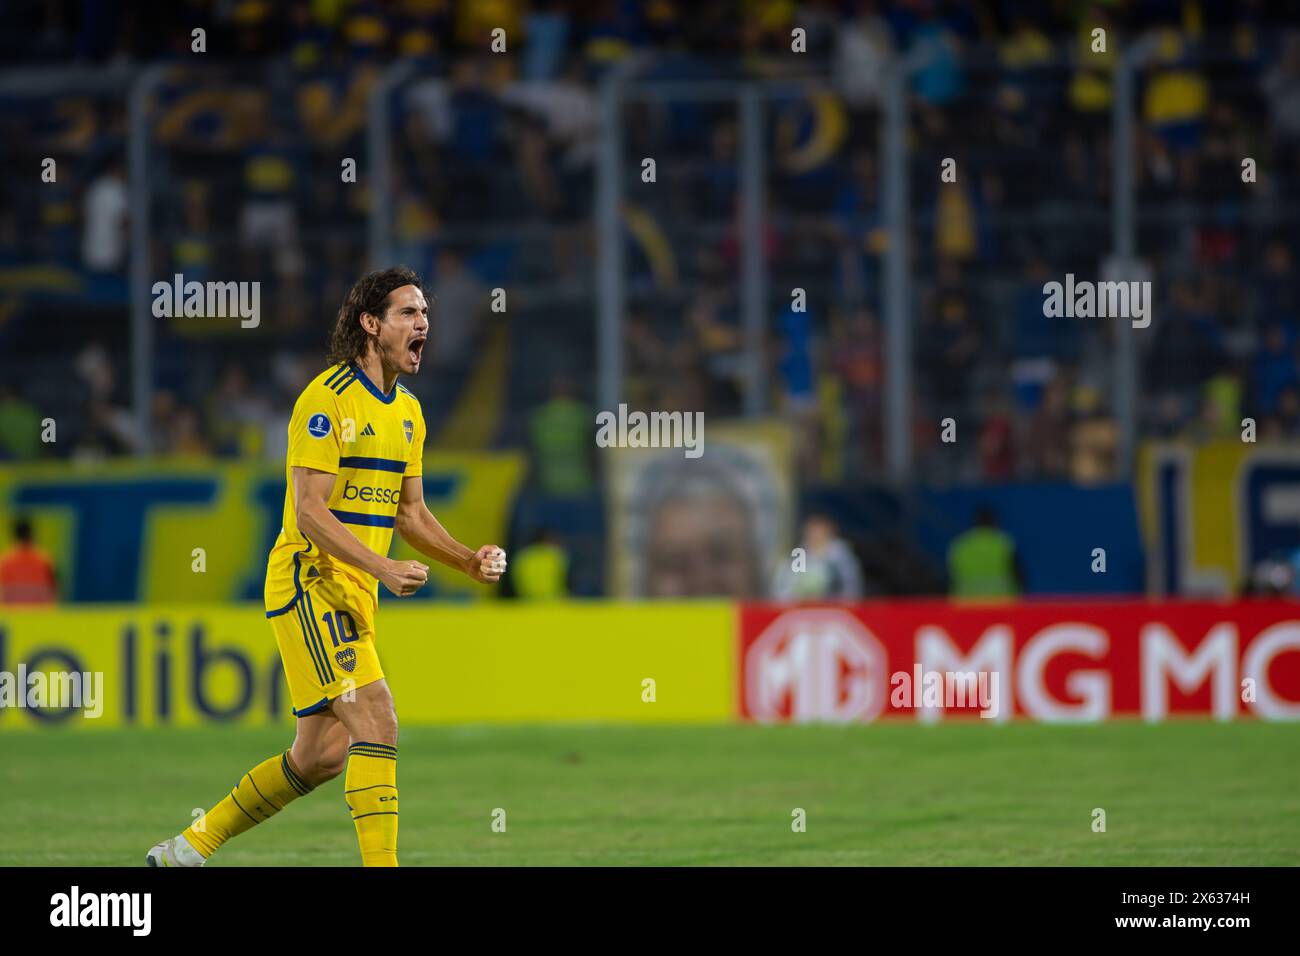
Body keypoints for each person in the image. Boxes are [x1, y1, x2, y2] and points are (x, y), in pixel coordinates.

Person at [147, 266, 507, 868]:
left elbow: (411, 514)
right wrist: (386, 569)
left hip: (353, 593)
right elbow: (309, 512)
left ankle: (189, 847)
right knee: (378, 719)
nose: (424, 324)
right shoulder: (326, 400)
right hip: (309, 582)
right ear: (372, 324)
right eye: (409, 313)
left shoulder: (409, 414)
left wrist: (466, 561)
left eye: (425, 313)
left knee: (319, 757)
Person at [772, 514, 865, 601]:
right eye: (812, 531)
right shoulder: (798, 555)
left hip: (834, 609)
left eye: (820, 531)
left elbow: (851, 585)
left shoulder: (841, 555)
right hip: (803, 609)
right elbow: (784, 586)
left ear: (829, 532)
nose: (816, 535)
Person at [947, 505, 1022, 599]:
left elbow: (951, 578)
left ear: (975, 522)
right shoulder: (1004, 544)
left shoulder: (960, 545)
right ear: (995, 522)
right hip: (1000, 605)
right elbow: (1018, 576)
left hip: (966, 605)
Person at [0, 516, 57, 604]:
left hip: (12, 614)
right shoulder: (44, 560)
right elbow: (54, 590)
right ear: (32, 534)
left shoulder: (5, 562)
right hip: (41, 614)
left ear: (13, 535)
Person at [512, 529, 570, 599]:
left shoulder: (522, 556)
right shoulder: (556, 554)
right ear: (547, 540)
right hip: (554, 601)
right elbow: (566, 579)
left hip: (527, 601)